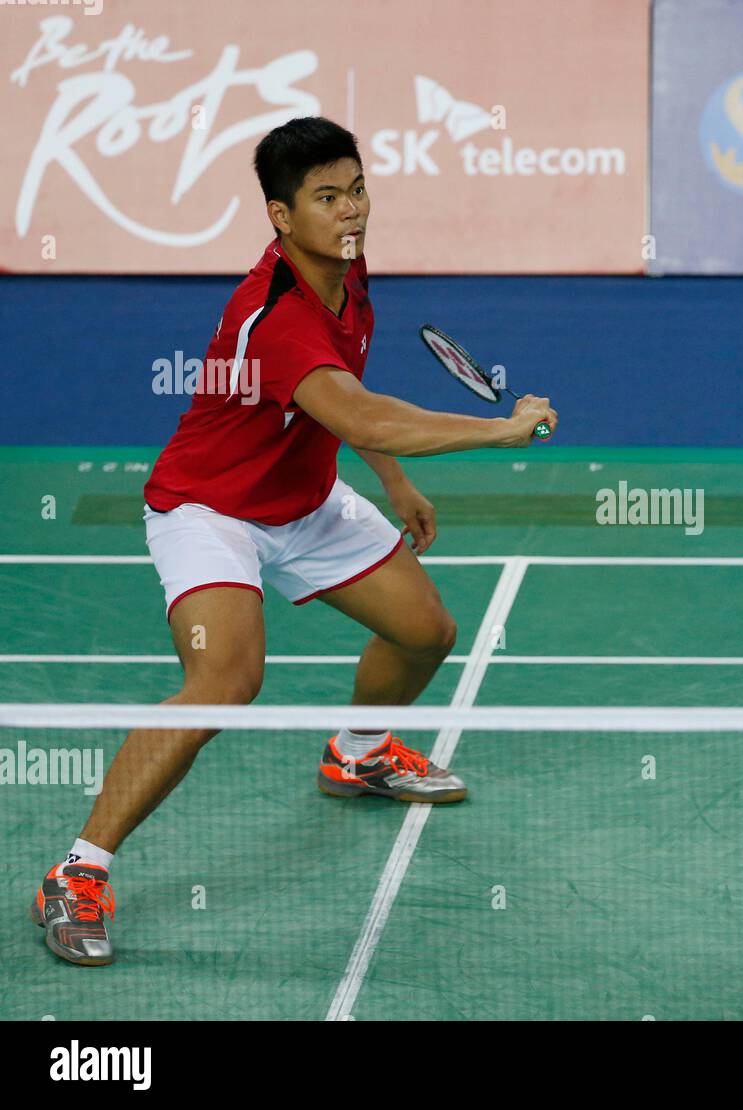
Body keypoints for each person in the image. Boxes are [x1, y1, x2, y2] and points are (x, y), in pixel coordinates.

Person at [31, 116, 557, 967]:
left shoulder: (344, 270)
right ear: (280, 216)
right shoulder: (271, 316)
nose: (350, 212)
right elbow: (357, 410)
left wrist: (391, 479)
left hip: (304, 499)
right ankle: (78, 871)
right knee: (225, 680)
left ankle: (357, 754)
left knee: (426, 631)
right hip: (210, 510)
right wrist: (501, 432)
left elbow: (348, 391)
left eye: (356, 189)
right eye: (325, 198)